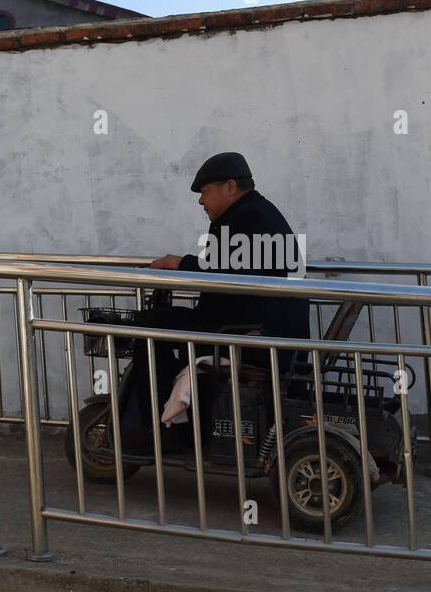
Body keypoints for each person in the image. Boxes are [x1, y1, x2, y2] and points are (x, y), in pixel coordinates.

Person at [121, 152, 310, 449]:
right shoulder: (257, 212)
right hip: (261, 331)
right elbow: (231, 271)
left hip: (253, 337)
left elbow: (226, 273)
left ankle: (159, 426)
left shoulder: (248, 216)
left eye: (205, 192)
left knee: (150, 325)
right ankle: (175, 415)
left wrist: (180, 263)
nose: (200, 201)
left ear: (230, 187)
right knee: (165, 320)